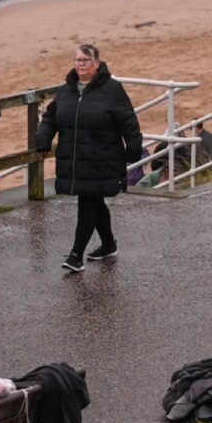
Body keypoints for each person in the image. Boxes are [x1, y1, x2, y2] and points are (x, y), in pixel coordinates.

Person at [35, 44, 143, 272]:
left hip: (102, 158)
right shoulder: (67, 89)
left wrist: (134, 148)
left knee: (88, 202)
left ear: (97, 63)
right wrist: (43, 139)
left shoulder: (112, 89)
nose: (81, 64)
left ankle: (76, 255)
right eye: (78, 59)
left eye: (85, 60)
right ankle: (108, 245)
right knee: (94, 200)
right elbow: (50, 117)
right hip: (75, 159)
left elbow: (128, 121)